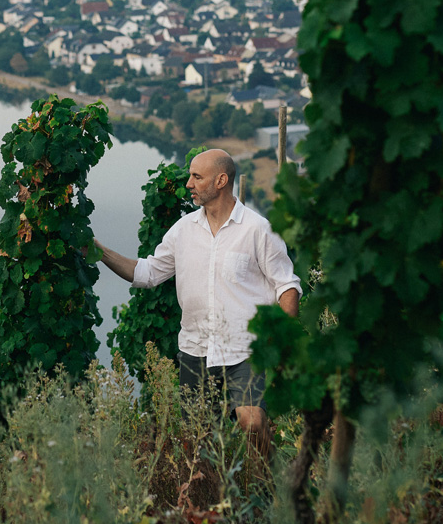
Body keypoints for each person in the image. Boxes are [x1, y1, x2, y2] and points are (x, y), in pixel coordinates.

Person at [97, 148, 300, 459]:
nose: (188, 184)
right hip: (196, 349)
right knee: (196, 438)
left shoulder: (258, 229)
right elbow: (147, 273)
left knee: (253, 421)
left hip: (244, 349)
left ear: (221, 180)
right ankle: (208, 500)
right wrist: (99, 251)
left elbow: (287, 286)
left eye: (196, 176)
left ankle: (266, 481)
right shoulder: (183, 231)